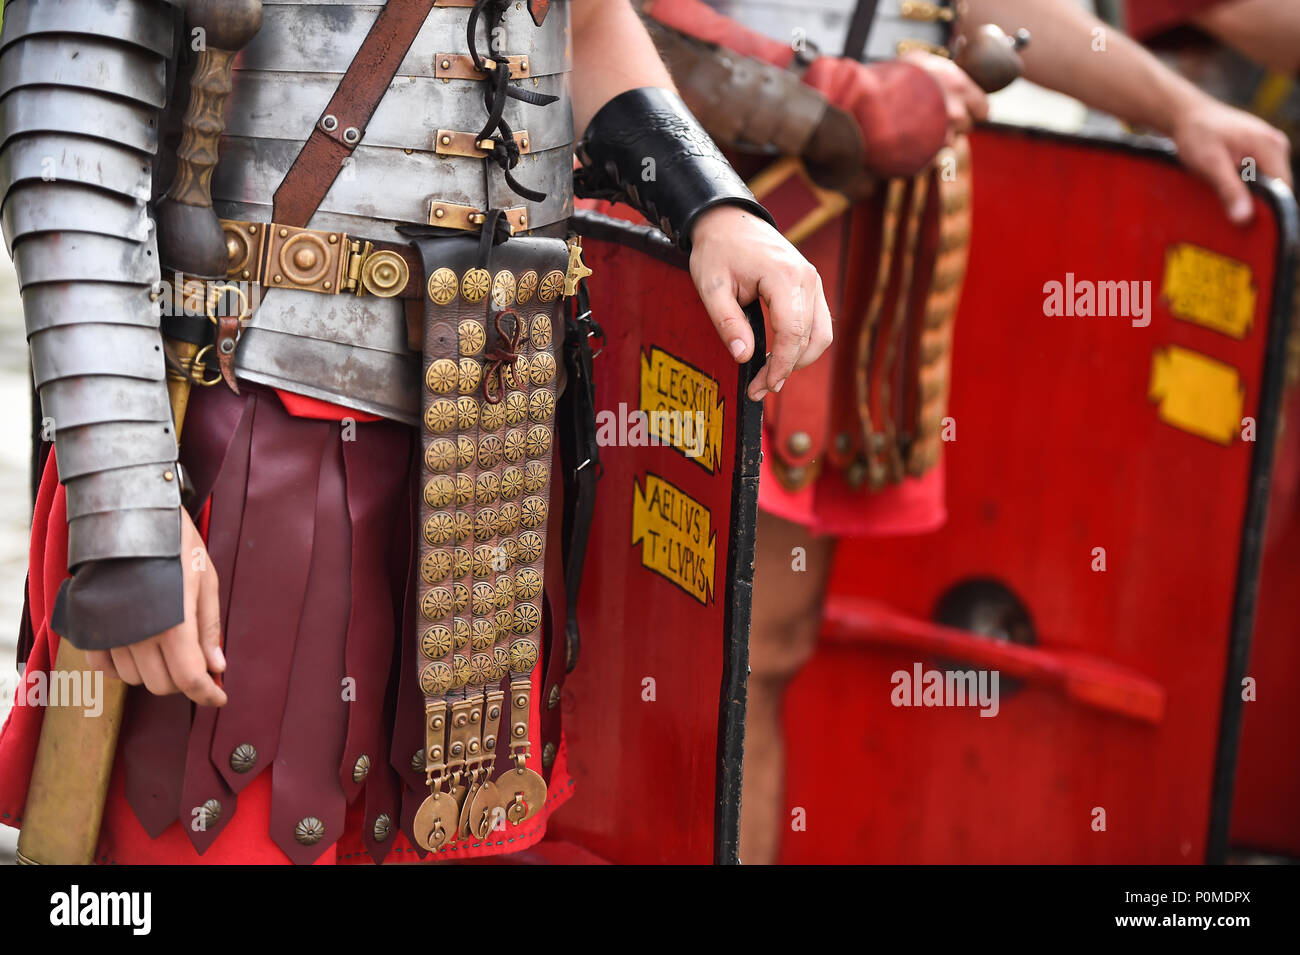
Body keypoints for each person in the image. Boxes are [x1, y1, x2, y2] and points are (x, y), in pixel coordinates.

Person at [0, 0, 830, 865]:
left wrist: (712, 203)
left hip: (488, 448)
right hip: (242, 450)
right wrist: (133, 522)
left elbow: (582, 21)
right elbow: (70, 137)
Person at [639, 0, 1292, 863]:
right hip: (677, 239)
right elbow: (611, 24)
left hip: (829, 267)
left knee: (757, 656)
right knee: (657, 651)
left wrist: (1184, 111)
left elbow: (992, 8)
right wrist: (842, 101)